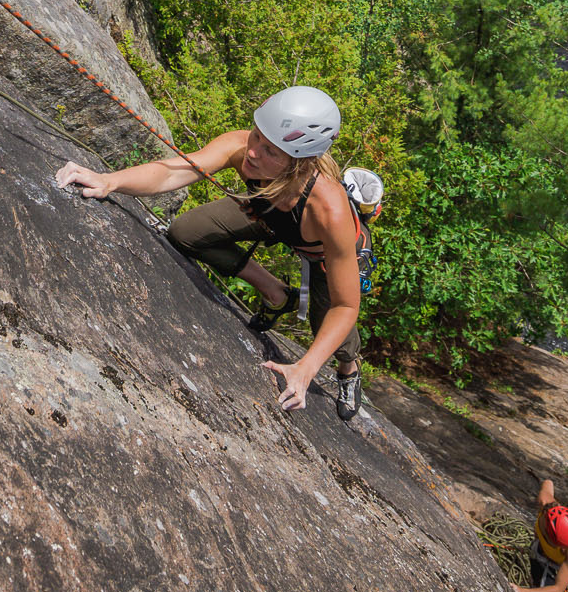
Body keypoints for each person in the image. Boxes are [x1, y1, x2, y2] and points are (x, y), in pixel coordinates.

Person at [53, 85, 368, 420]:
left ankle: (350, 368)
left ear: (299, 164)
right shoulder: (240, 145)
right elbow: (177, 170)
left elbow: (346, 305)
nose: (253, 153)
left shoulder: (328, 211)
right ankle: (277, 294)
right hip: (267, 215)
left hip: (320, 252)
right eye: (257, 136)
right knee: (185, 233)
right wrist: (110, 181)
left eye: (271, 151)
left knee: (329, 325)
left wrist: (305, 369)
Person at [517, 480, 568, 592]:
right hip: (538, 553)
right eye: (560, 545)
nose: (563, 549)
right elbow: (548, 482)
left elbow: (557, 589)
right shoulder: (545, 503)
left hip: (556, 570)